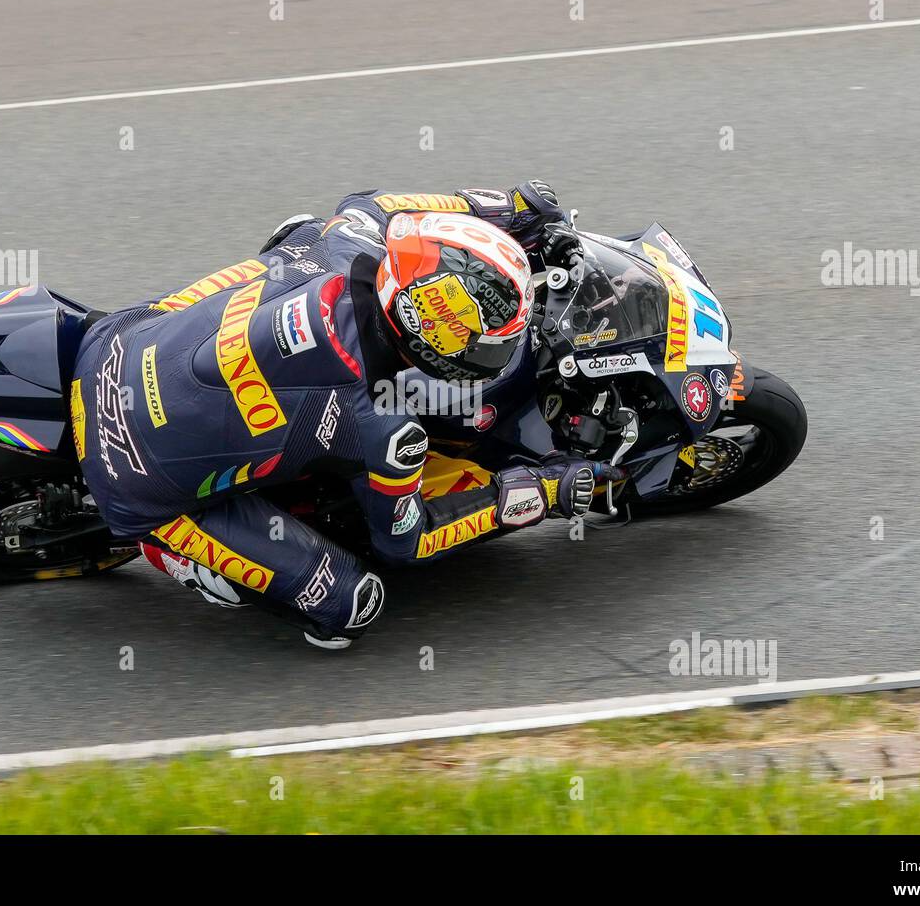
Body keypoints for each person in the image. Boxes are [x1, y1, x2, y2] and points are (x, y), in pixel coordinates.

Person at [71, 180, 596, 649]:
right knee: (350, 606)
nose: (482, 339)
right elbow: (408, 541)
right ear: (430, 336)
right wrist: (541, 492)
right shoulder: (383, 422)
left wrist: (513, 206)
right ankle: (181, 556)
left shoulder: (353, 233)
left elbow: (402, 206)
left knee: (298, 233)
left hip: (112, 344)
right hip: (135, 482)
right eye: (463, 328)